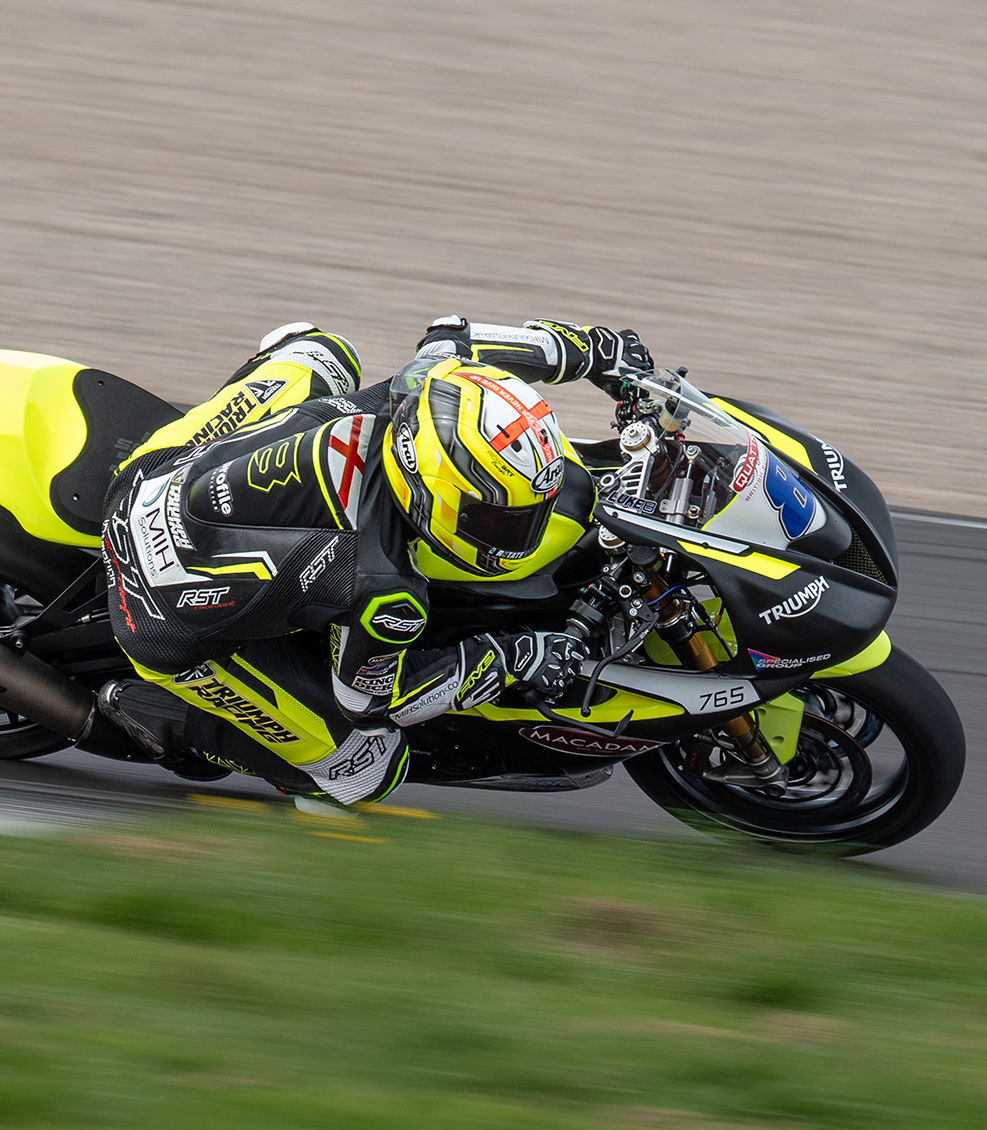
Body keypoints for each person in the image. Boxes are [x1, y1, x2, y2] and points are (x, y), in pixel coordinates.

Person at [96, 316, 654, 807]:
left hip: (159, 467)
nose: (514, 532)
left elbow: (454, 334)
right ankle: (156, 716)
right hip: (158, 610)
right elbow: (370, 699)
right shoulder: (384, 584)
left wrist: (596, 351)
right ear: (429, 487)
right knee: (364, 771)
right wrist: (510, 657)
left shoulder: (431, 385)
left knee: (321, 350)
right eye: (493, 518)